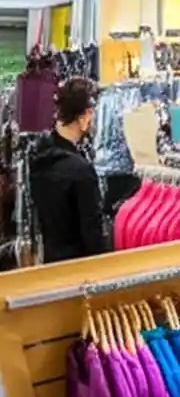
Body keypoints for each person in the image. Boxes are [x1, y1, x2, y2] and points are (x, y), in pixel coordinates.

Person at [29, 77, 106, 262]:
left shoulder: (38, 156)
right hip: (79, 271)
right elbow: (92, 234)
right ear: (84, 117)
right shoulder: (81, 171)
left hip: (51, 261)